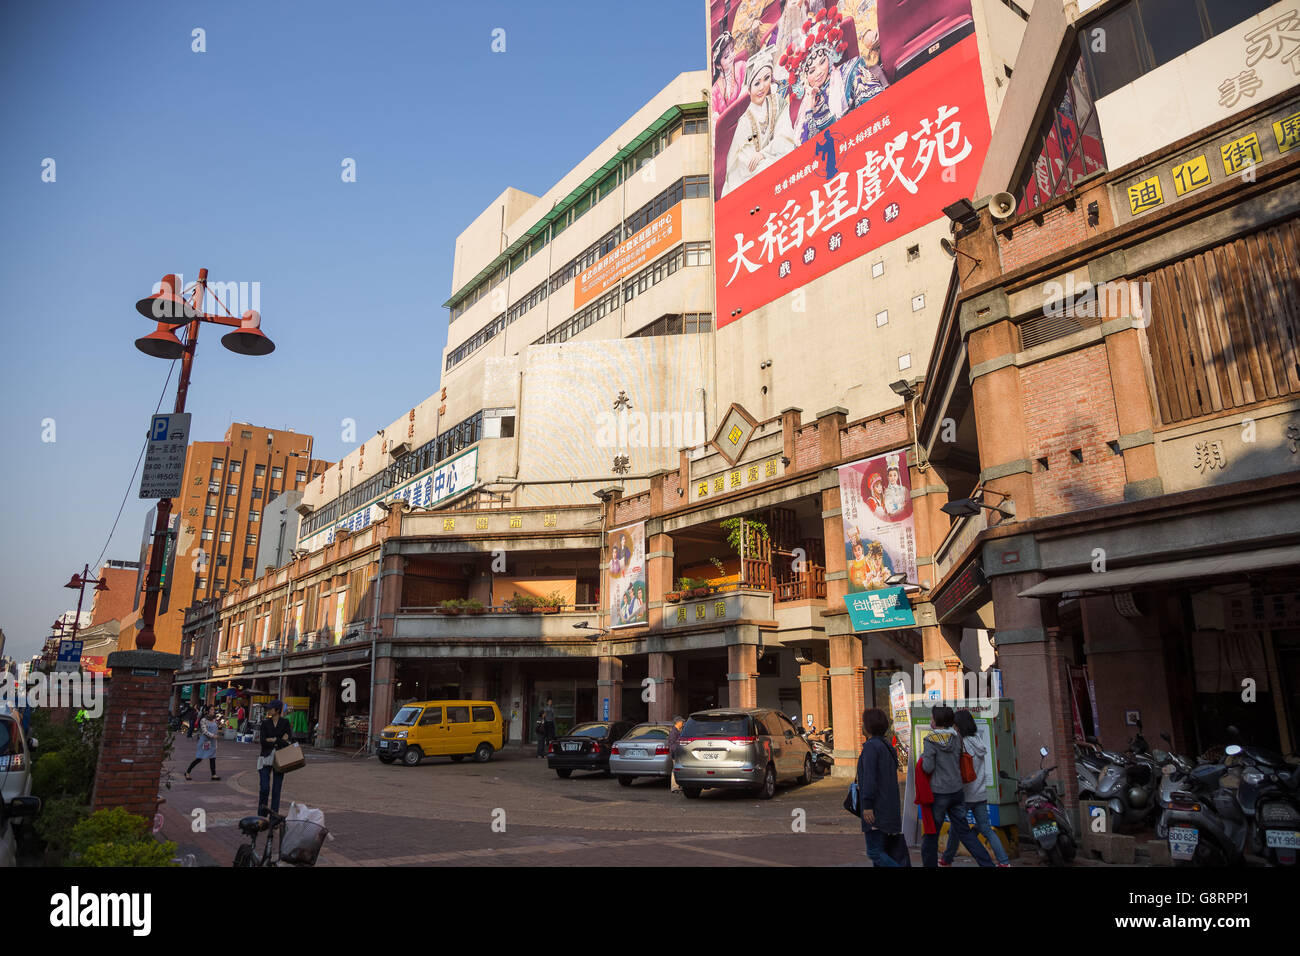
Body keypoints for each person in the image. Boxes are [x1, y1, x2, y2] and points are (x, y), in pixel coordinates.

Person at [920, 706, 994, 867]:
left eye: (932, 718)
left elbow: (928, 767)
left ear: (937, 720)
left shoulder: (929, 740)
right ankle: (987, 864)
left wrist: (924, 757)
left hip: (939, 792)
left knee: (932, 834)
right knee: (965, 832)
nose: (931, 720)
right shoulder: (957, 737)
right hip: (957, 791)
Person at [722, 47, 796, 196]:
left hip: (776, 155)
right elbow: (745, 161)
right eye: (757, 83)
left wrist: (763, 154)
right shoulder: (744, 119)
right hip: (749, 174)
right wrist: (764, 159)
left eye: (767, 78)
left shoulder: (778, 102)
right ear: (748, 89)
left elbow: (785, 136)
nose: (763, 87)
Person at [942, 709, 1011, 867]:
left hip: (965, 795)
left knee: (956, 828)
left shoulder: (961, 742)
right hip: (980, 794)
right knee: (986, 829)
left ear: (958, 725)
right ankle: (1004, 861)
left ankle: (946, 859)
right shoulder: (978, 740)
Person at [857, 707, 909, 866]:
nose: (861, 726)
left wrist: (867, 805)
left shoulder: (871, 747)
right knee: (884, 851)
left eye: (863, 722)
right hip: (890, 808)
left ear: (869, 726)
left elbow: (870, 779)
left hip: (877, 810)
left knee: (875, 852)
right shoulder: (887, 746)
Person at [257, 700, 293, 817]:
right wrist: (278, 740)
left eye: (271, 708)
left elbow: (287, 740)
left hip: (280, 759)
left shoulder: (285, 722)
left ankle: (274, 817)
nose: (268, 710)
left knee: (276, 790)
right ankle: (262, 815)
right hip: (265, 758)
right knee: (264, 788)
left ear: (277, 710)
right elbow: (263, 741)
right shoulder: (265, 723)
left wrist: (273, 739)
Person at [185, 707, 221, 781]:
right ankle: (187, 772)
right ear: (207, 711)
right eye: (211, 710)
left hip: (213, 742)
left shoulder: (214, 720)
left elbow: (216, 729)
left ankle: (213, 775)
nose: (213, 711)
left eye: (213, 710)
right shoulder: (203, 720)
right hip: (205, 742)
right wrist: (213, 736)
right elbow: (204, 731)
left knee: (212, 758)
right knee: (199, 758)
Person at [667, 715, 685, 794]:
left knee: (677, 770)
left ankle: (678, 786)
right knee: (674, 770)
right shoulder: (673, 732)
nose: (683, 723)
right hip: (676, 754)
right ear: (678, 722)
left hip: (678, 754)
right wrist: (676, 753)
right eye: (681, 722)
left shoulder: (678, 731)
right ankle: (674, 787)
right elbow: (672, 745)